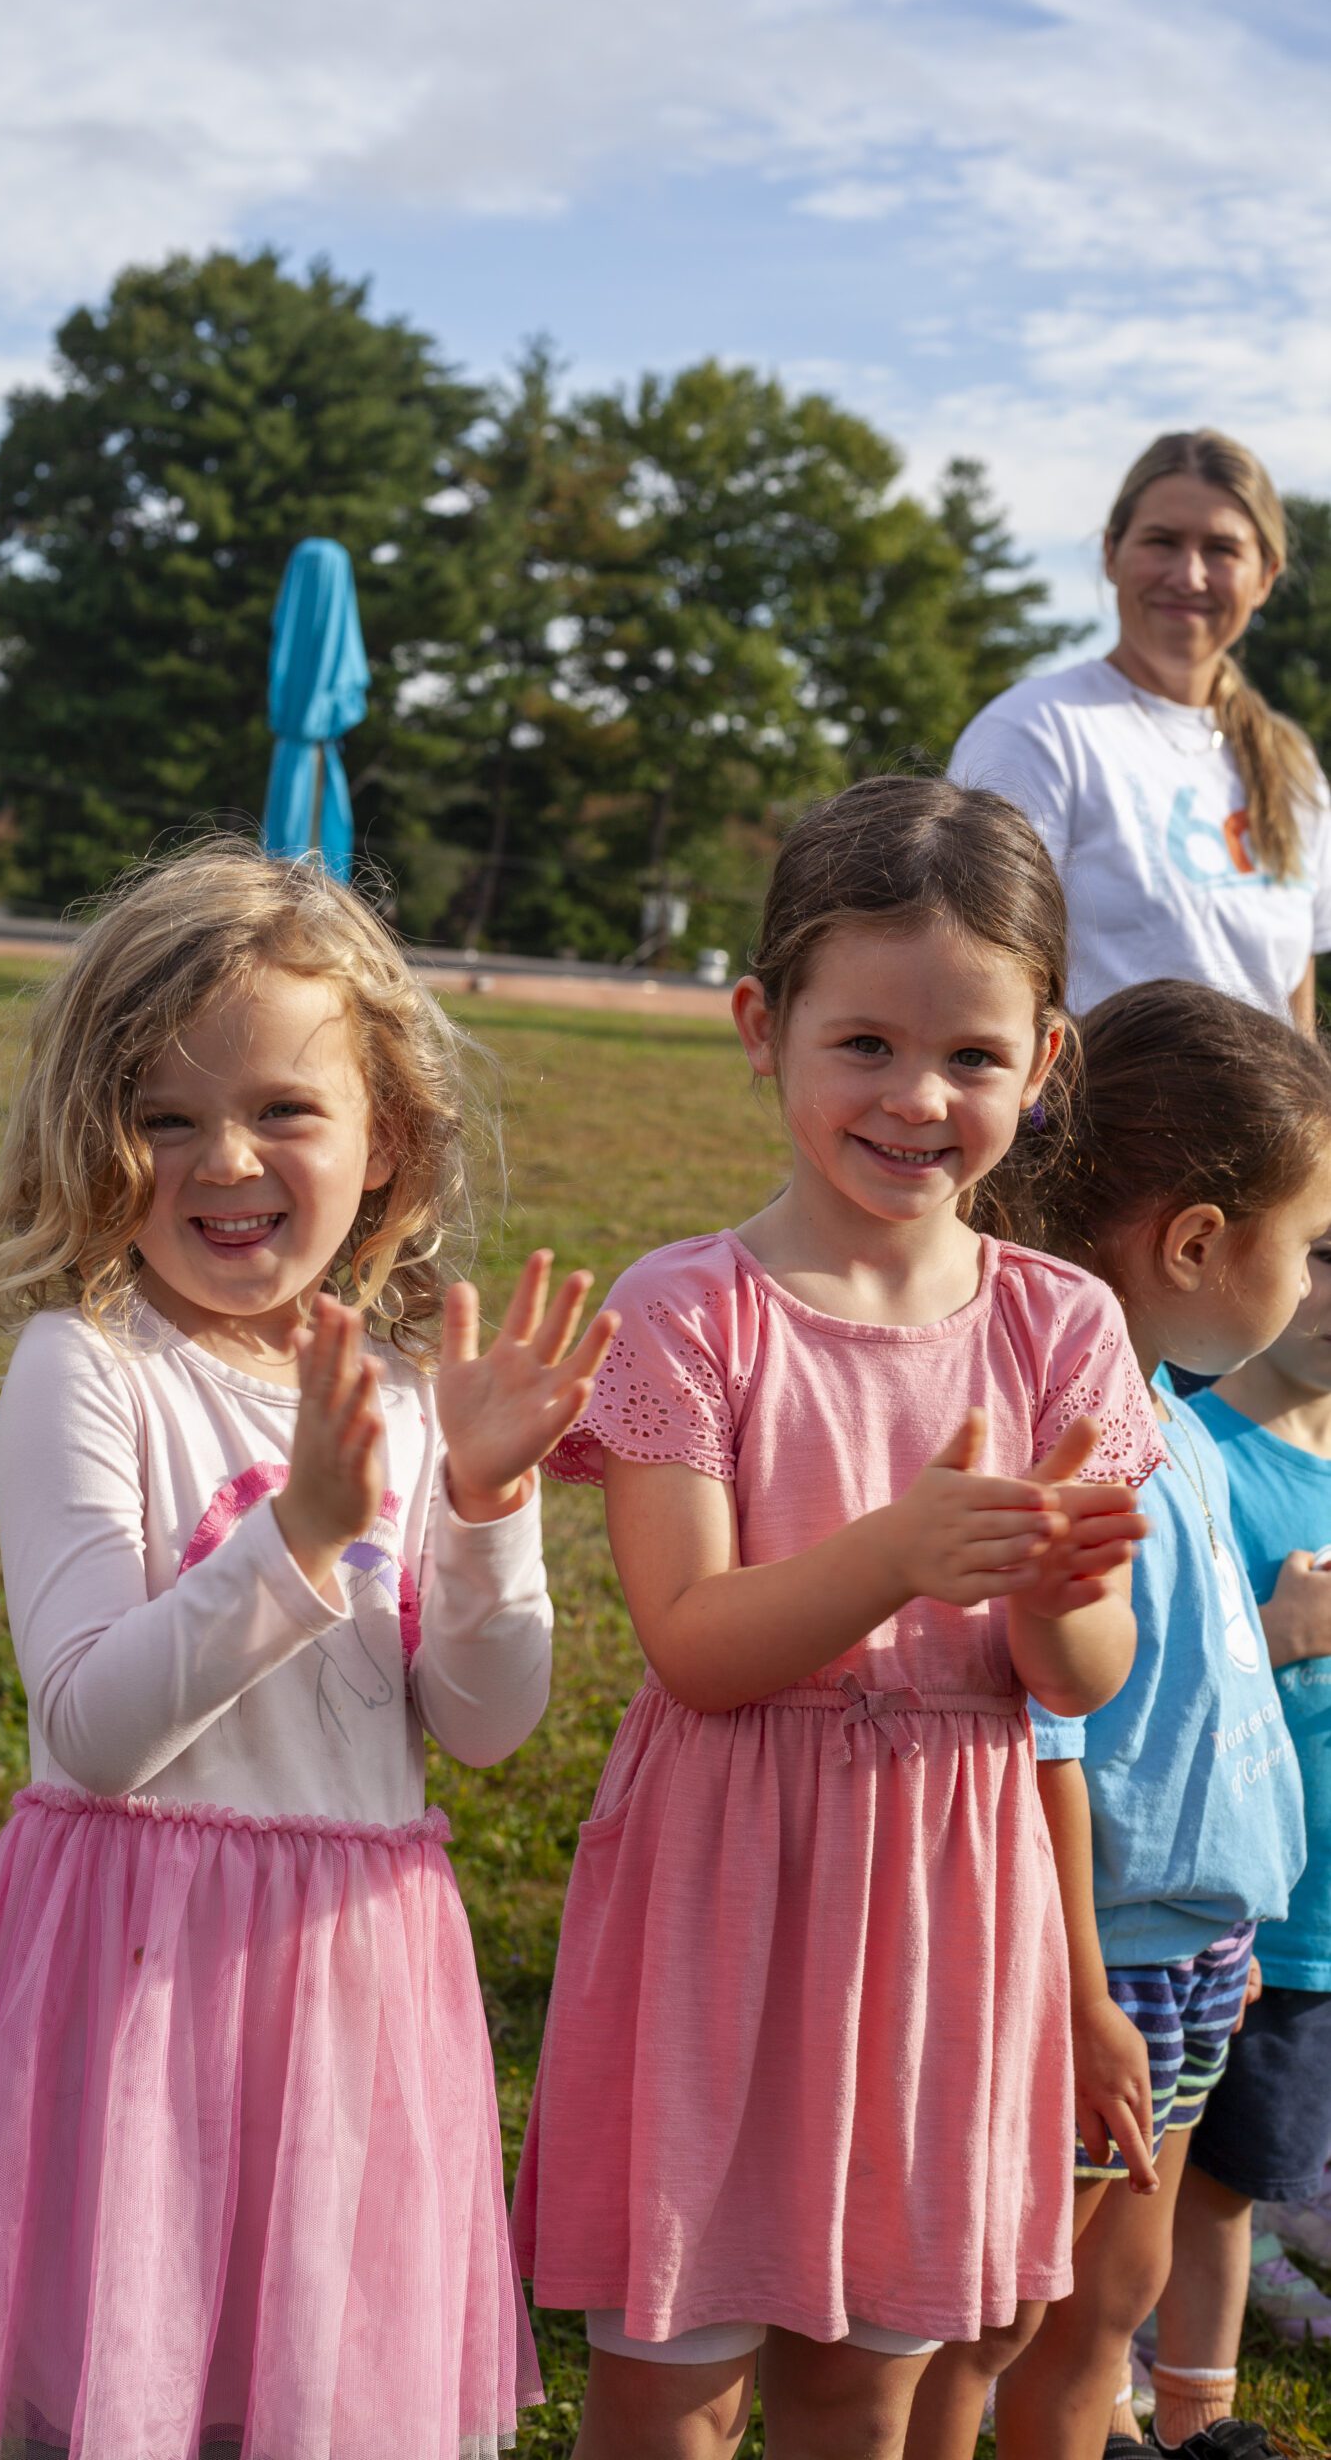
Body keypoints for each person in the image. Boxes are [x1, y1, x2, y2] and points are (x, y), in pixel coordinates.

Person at [0, 840, 617, 2460]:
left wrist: (482, 1499)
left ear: (386, 1137)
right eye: (166, 1117)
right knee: (122, 2369)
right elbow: (95, 1728)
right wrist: (300, 1534)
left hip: (354, 1983)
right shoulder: (83, 1369)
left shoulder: (406, 1394)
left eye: (282, 1110)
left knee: (316, 2390)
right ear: (91, 1135)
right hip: (131, 1984)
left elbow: (480, 1724)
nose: (223, 1159)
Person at [513, 774, 1162, 2460]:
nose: (914, 1098)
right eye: (862, 1044)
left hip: (951, 1900)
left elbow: (1076, 1681)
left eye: (970, 1057)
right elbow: (696, 1646)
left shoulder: (1062, 1328)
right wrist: (901, 1548)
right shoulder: (687, 1312)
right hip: (729, 1889)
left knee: (861, 2391)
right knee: (671, 2385)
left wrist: (1057, 1593)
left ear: (1045, 1063)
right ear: (762, 1027)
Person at [988, 980, 1329, 2460]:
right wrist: (1075, 1991)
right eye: (1312, 1247)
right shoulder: (1082, 1445)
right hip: (1102, 1969)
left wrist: (1234, 1920)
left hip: (1187, 1952)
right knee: (1020, 2319)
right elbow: (1051, 1737)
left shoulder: (1168, 1413)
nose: (1317, 1276)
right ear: (1194, 1241)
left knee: (1113, 2292)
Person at [949, 429, 1331, 1035]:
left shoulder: (1291, 764)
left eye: (1223, 549)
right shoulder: (1035, 731)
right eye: (1162, 541)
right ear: (1110, 553)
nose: (1190, 575)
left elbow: (1294, 1000)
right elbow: (972, 975)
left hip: (1268, 1132)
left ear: (1266, 576)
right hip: (1094, 1128)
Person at [1142, 1242, 1331, 2439]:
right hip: (1230, 1914)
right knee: (1175, 2187)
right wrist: (1279, 1627)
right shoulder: (1190, 1447)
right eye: (1327, 1254)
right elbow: (1133, 1678)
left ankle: (1196, 2422)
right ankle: (1098, 2393)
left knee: (1237, 2181)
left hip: (1315, 1933)